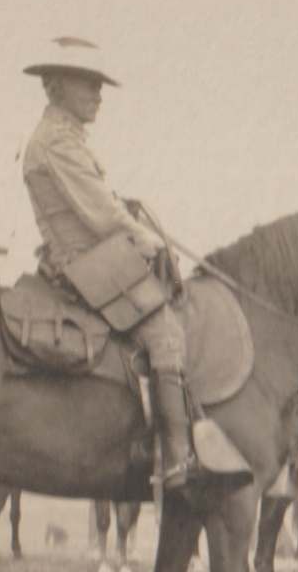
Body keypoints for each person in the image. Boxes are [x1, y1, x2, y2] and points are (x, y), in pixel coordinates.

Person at [20, 37, 248, 502]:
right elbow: (102, 216)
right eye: (90, 85)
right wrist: (149, 240)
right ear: (59, 86)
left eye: (99, 86)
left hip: (90, 256)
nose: (98, 96)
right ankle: (180, 458)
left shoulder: (65, 138)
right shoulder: (56, 143)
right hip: (82, 263)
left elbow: (100, 206)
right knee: (164, 331)